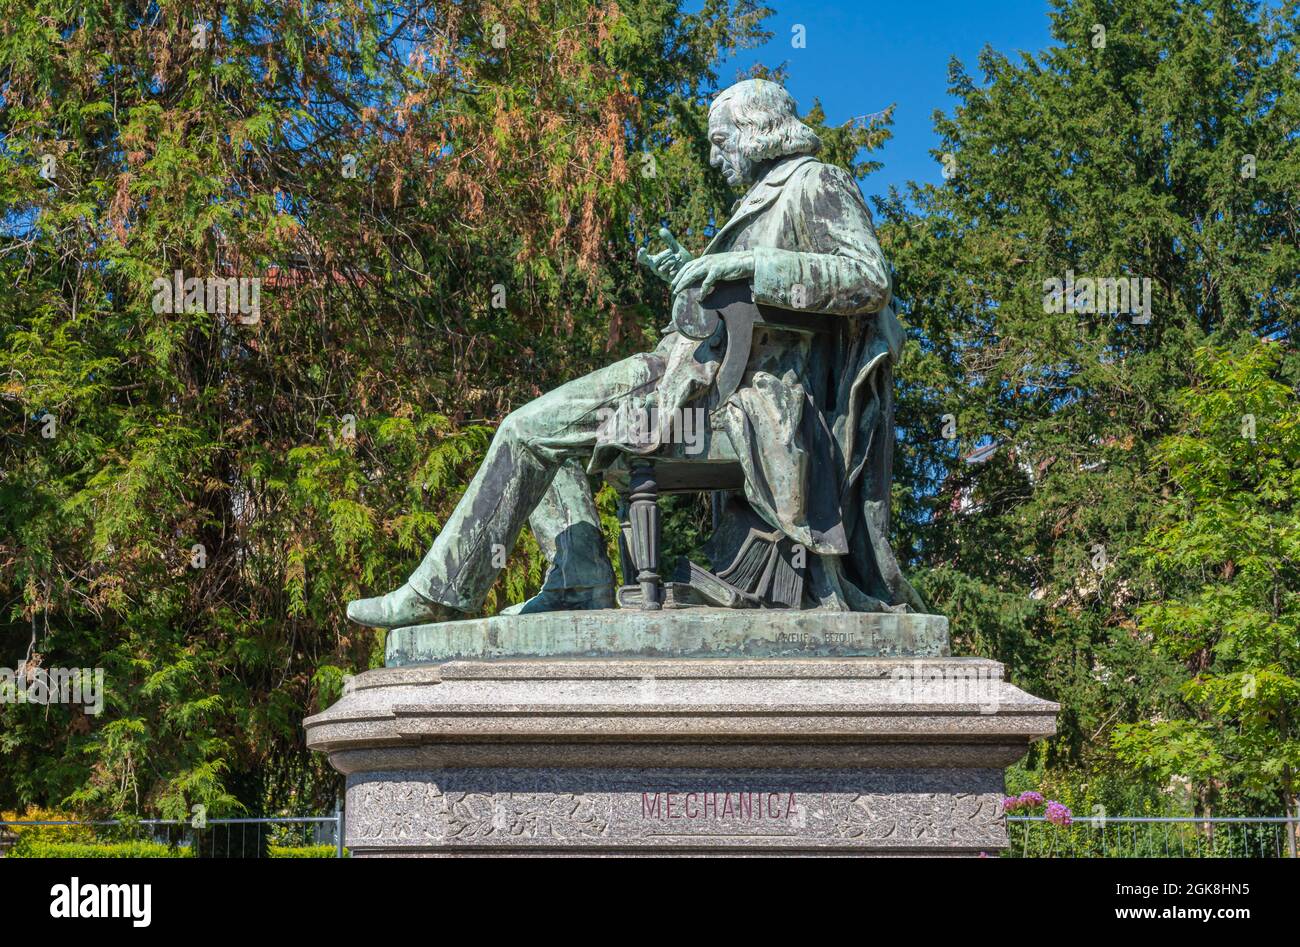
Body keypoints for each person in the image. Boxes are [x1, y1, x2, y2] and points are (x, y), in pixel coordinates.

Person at [347, 78, 924, 628]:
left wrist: (748, 267)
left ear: (754, 131)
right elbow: (729, 310)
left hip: (754, 396)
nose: (718, 157)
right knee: (535, 427)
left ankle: (442, 594)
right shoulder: (761, 198)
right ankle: (577, 575)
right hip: (692, 372)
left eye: (720, 143)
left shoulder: (814, 182)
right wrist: (692, 274)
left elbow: (867, 280)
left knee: (529, 431)